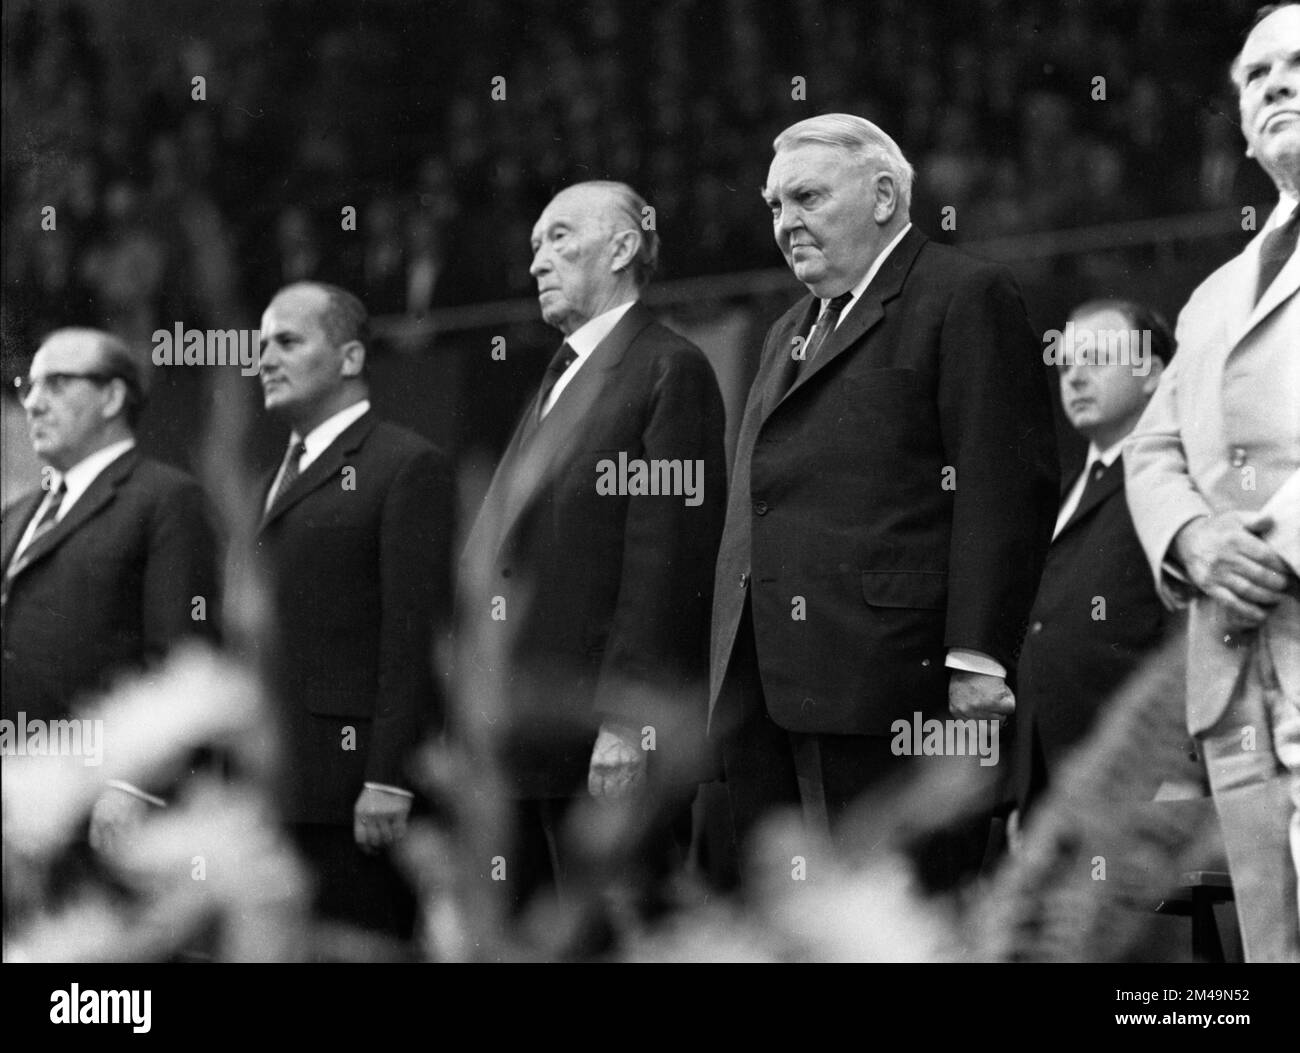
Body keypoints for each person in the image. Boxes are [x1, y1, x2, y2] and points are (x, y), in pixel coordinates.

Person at [709, 114, 1058, 887]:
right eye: (772, 205)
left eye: (805, 196)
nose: (784, 222)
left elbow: (1005, 484)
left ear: (883, 195)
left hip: (901, 688)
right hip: (770, 692)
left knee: (906, 918)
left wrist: (977, 657)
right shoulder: (786, 331)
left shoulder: (964, 294)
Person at [460, 181, 726, 915]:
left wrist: (627, 722)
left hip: (601, 736)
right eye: (535, 247)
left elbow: (666, 558)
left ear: (622, 246)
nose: (537, 262)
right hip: (532, 736)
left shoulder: (668, 368)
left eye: (560, 238)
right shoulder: (557, 377)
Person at [1125, 2, 1300, 962]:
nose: (1273, 84)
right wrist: (1195, 541)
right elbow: (1153, 450)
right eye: (1254, 76)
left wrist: (1260, 548)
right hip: (1234, 675)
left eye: (1297, 64)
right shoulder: (1211, 294)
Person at [254, 281, 453, 942]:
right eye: (260, 344)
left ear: (348, 358)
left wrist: (389, 777)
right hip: (282, 785)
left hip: (356, 791)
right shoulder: (274, 475)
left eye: (287, 340)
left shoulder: (404, 464)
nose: (265, 359)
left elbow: (412, 629)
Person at [1, 327, 218, 851]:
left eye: (56, 384)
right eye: (28, 386)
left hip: (98, 800)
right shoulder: (15, 516)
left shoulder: (166, 499)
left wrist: (134, 784)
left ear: (113, 397)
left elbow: (182, 656)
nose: (33, 402)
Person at [1011, 301, 1177, 817]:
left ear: (1151, 373)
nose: (1076, 377)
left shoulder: (1183, 484)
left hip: (1142, 787)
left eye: (1097, 358)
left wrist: (1176, 775)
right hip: (1046, 791)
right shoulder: (1057, 498)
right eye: (1065, 365)